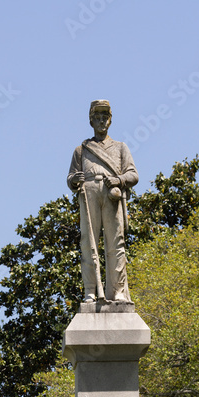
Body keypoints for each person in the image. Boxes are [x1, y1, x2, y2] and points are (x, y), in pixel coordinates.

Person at [67, 99, 139, 303]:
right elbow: (70, 177)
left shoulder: (120, 147)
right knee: (88, 243)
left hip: (112, 193)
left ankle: (117, 291)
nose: (101, 121)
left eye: (105, 117)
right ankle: (90, 290)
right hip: (88, 193)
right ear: (91, 121)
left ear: (110, 120)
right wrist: (74, 180)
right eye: (97, 117)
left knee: (116, 244)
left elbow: (133, 174)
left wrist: (119, 180)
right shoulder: (81, 150)